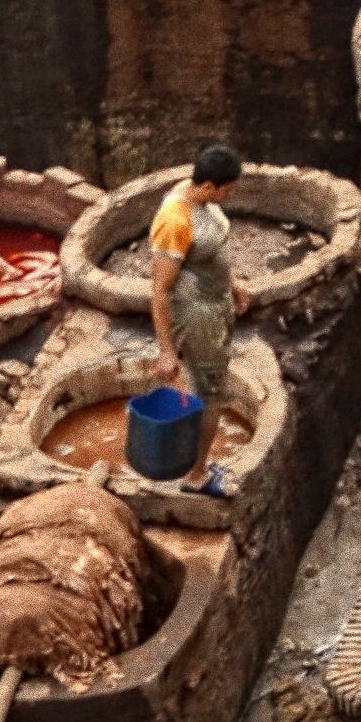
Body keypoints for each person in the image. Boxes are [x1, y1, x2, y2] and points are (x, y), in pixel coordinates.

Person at [151, 144, 250, 498]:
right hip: (196, 314)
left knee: (209, 384)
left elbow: (216, 248)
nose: (230, 195)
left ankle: (198, 459)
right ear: (207, 186)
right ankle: (196, 475)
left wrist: (233, 282)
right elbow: (160, 290)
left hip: (215, 300)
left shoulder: (197, 196)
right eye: (227, 189)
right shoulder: (175, 221)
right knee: (212, 393)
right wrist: (166, 352)